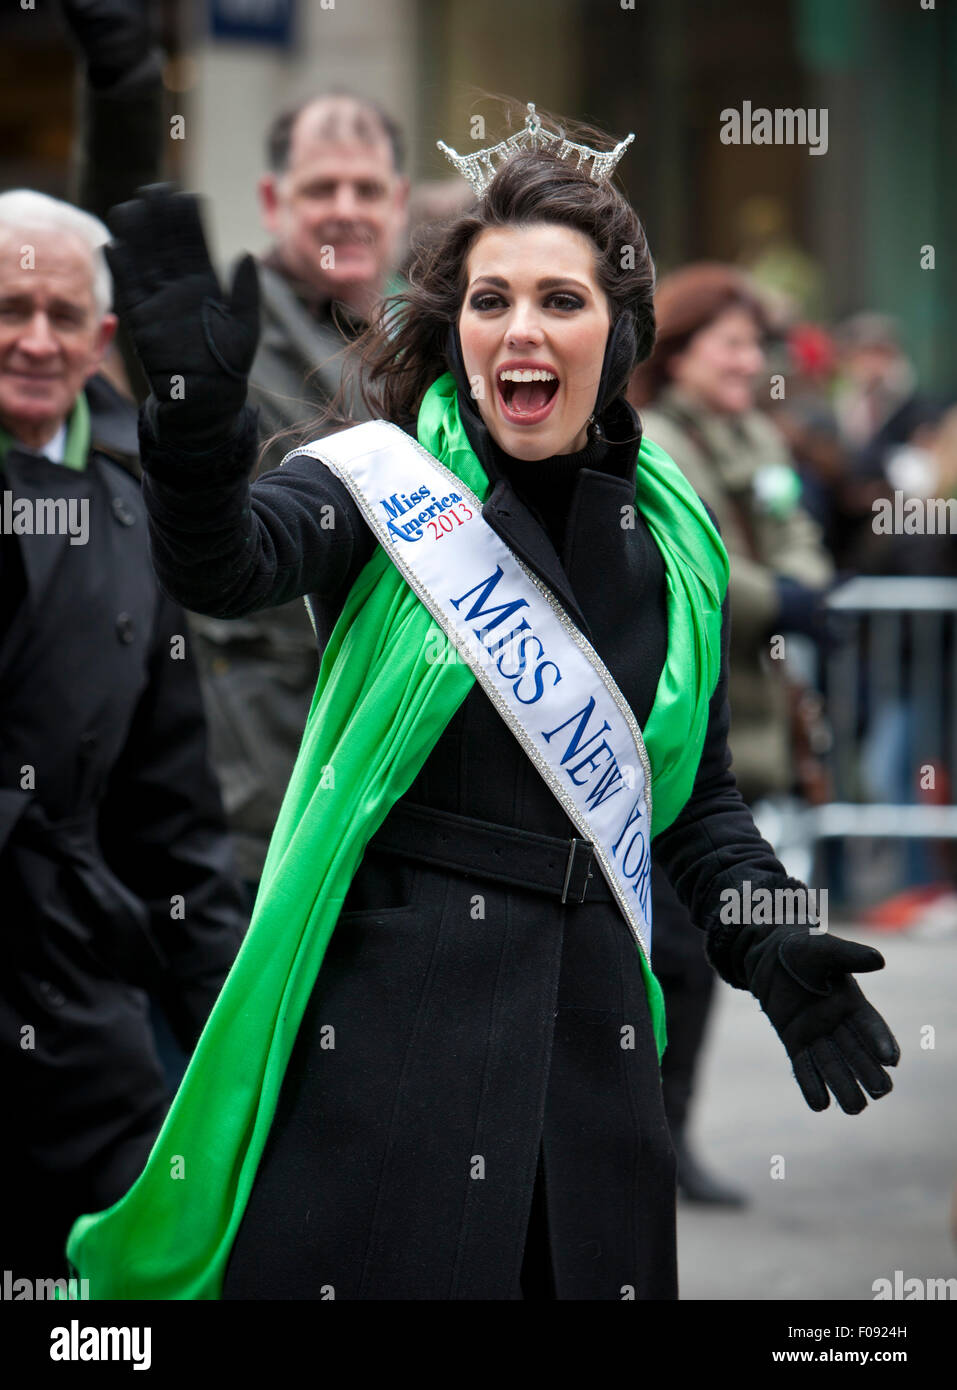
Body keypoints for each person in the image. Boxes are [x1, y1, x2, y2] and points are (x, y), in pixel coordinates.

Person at [69, 112, 899, 1302]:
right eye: (490, 299)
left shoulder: (675, 543)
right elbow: (228, 565)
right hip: (395, 1040)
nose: (521, 330)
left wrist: (768, 934)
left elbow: (695, 801)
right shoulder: (378, 478)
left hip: (594, 1054)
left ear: (623, 336)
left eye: (561, 301)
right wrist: (197, 429)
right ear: (454, 328)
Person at [0, 190, 245, 1276]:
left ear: (103, 339)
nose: (36, 338)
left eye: (64, 312)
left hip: (75, 998)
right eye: (10, 307)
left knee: (108, 1317)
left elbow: (172, 811)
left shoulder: (133, 510)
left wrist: (235, 1034)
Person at [629, 262, 836, 1206]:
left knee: (716, 945)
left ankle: (671, 1137)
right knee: (669, 953)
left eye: (756, 346)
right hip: (668, 736)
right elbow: (704, 565)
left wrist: (793, 586)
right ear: (678, 352)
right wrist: (777, 596)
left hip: (749, 733)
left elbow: (802, 549)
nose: (749, 361)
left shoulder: (760, 438)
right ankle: (647, 1138)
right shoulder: (656, 442)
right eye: (731, 344)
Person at [190, 91, 411, 896]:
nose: (344, 211)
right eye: (320, 190)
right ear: (271, 200)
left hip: (394, 762)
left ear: (399, 200)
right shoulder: (216, 336)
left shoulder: (436, 340)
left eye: (365, 188)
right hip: (263, 775)